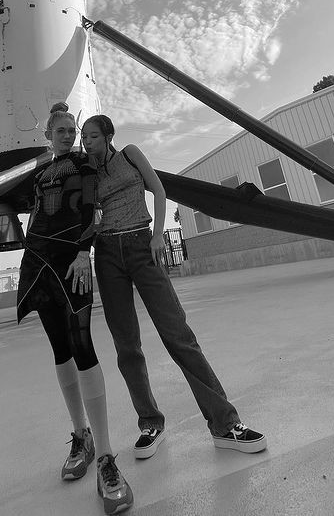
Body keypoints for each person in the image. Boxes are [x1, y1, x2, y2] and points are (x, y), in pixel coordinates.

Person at [80, 114, 267, 460]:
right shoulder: (87, 172)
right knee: (126, 345)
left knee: (178, 334)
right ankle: (150, 423)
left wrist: (156, 236)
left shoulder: (130, 154)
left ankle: (225, 423)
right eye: (83, 137)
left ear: (108, 135)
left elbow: (159, 191)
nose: (86, 142)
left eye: (92, 136)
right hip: (106, 254)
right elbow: (85, 215)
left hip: (141, 244)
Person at [15, 103, 133, 515]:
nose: (67, 135)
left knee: (83, 344)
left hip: (72, 260)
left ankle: (106, 457)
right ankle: (80, 435)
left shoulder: (84, 166)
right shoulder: (38, 176)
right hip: (38, 262)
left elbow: (91, 210)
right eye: (61, 130)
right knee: (59, 349)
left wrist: (85, 251)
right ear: (48, 135)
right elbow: (36, 216)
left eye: (72, 130)